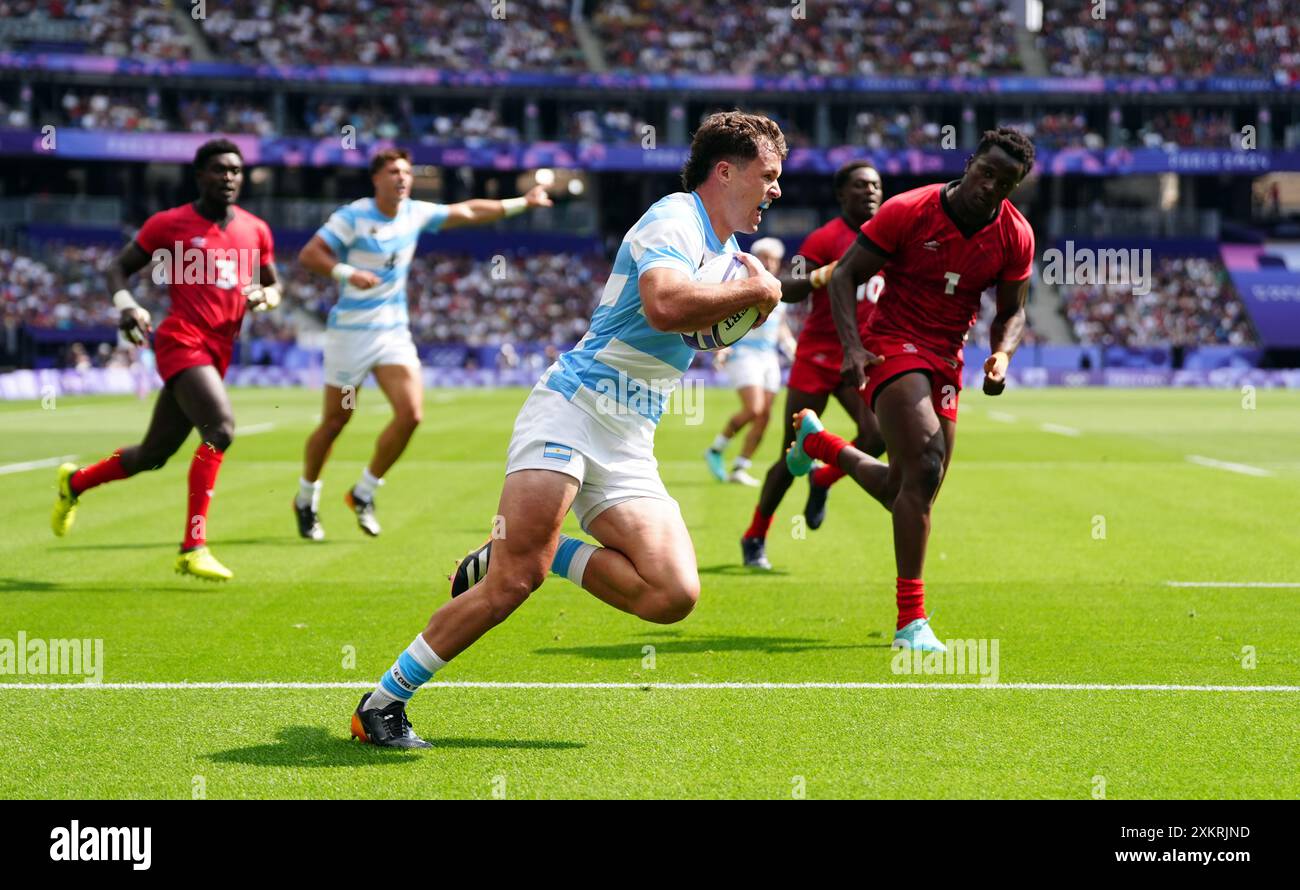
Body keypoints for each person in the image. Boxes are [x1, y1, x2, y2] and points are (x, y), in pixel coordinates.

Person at [351, 111, 785, 747]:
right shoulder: (674, 218)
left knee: (672, 593)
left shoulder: (724, 254)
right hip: (574, 410)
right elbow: (664, 305)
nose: (775, 191)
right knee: (512, 582)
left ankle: (547, 553)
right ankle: (382, 703)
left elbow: (699, 329)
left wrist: (754, 294)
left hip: (630, 437)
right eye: (768, 176)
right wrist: (759, 295)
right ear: (727, 171)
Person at [785, 128, 1037, 652]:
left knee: (907, 489)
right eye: (985, 171)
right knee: (925, 466)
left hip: (948, 356)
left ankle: (821, 444)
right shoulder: (908, 209)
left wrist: (1003, 353)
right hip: (891, 342)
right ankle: (911, 623)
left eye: (1004, 181)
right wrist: (853, 349)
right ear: (970, 163)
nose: (990, 186)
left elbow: (1013, 311)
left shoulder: (1016, 235)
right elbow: (843, 277)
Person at [50, 139, 281, 581]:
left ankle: (74, 482)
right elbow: (117, 268)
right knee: (221, 429)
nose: (229, 177)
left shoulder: (256, 229)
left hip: (220, 350)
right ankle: (193, 546)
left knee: (153, 455)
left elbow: (274, 284)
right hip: (181, 340)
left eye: (235, 170)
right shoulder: (169, 224)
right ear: (199, 175)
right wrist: (126, 305)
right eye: (218, 170)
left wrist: (267, 297)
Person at [292, 148, 552, 539]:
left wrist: (523, 202)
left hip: (392, 333)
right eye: (394, 171)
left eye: (407, 172)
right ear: (376, 178)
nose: (402, 178)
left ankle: (364, 491)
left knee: (411, 414)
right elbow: (310, 254)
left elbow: (467, 211)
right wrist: (347, 272)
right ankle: (306, 498)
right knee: (335, 421)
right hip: (349, 334)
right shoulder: (353, 216)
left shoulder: (414, 213)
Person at [740, 161, 888, 570]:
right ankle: (754, 535)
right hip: (819, 357)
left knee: (877, 437)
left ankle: (824, 478)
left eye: (876, 185)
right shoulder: (826, 238)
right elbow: (786, 289)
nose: (870, 191)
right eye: (860, 185)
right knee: (792, 453)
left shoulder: (893, 235)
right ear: (843, 194)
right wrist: (826, 274)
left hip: (860, 355)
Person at [705, 236, 796, 487]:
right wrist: (721, 349)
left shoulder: (778, 289)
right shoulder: (743, 284)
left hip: (769, 357)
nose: (771, 262)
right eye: (766, 257)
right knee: (754, 409)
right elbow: (727, 319)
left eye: (775, 259)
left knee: (764, 416)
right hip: (744, 353)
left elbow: (780, 325)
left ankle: (740, 467)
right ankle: (716, 448)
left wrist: (790, 346)